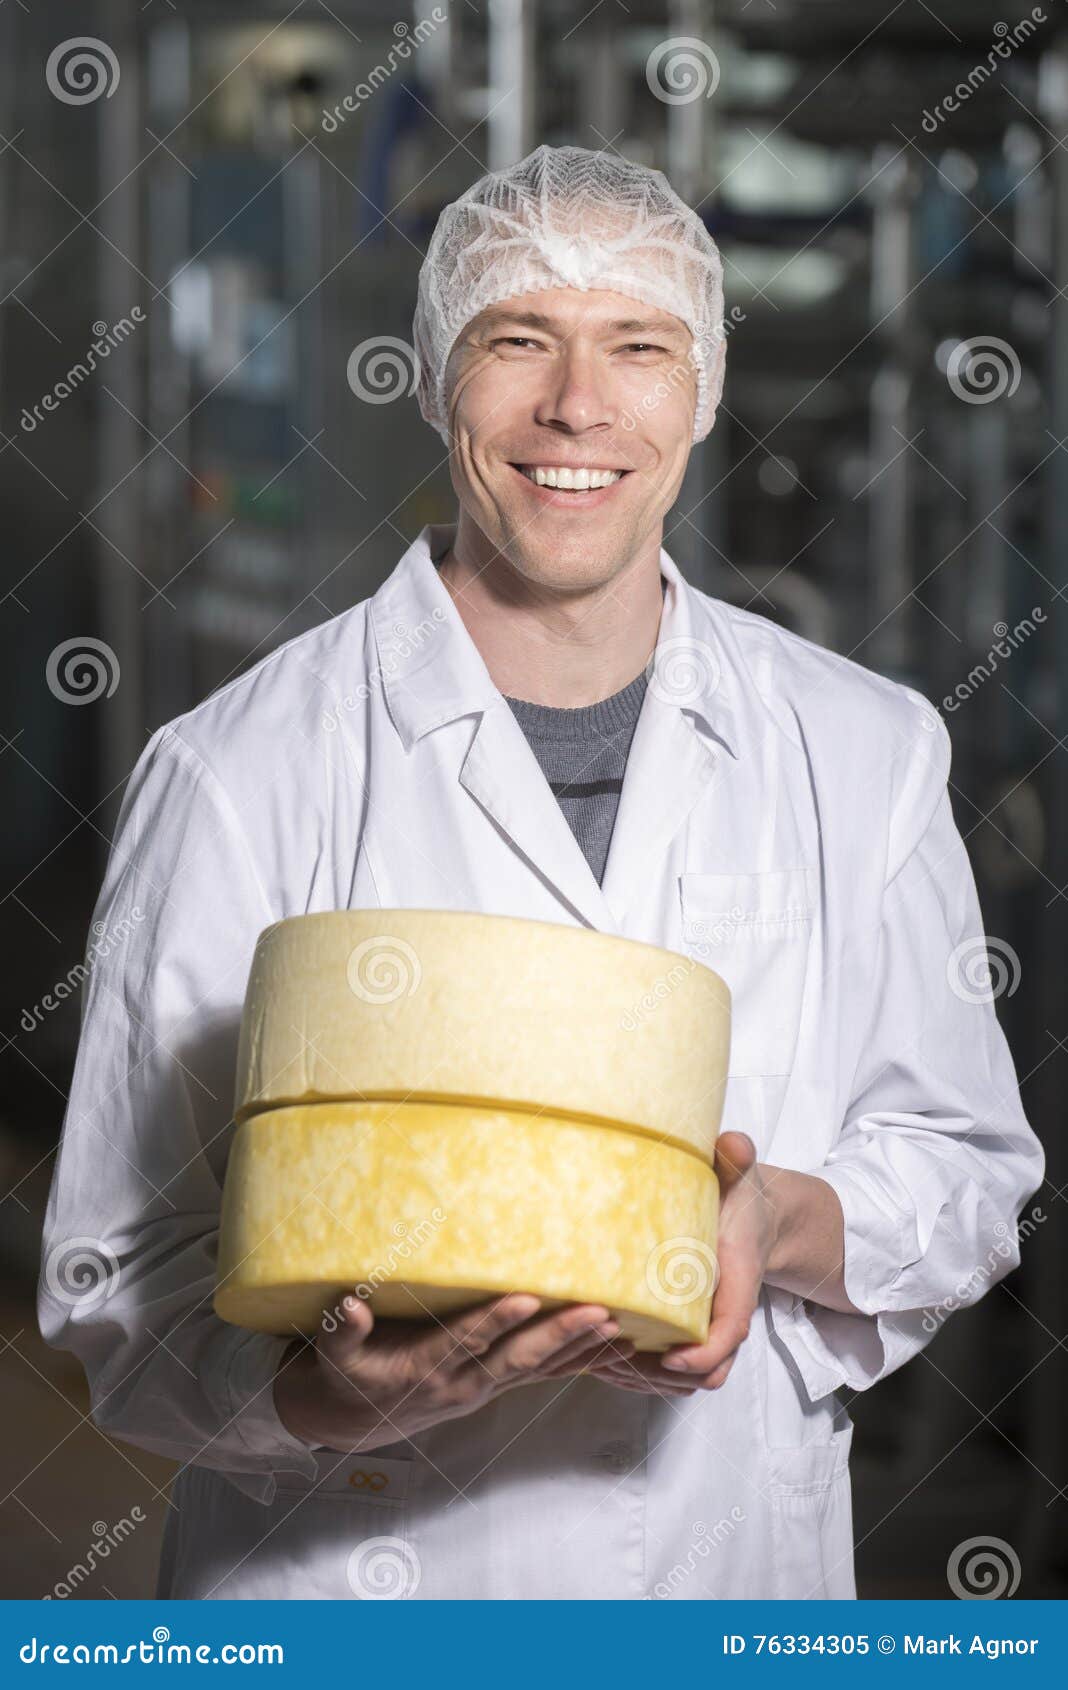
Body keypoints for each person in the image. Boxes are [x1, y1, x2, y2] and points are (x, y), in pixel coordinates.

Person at [39, 144, 1043, 1601]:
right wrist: (345, 1390)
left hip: (724, 1588)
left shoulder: (862, 749)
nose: (577, 405)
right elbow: (112, 1287)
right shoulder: (238, 768)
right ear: (442, 381)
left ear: (697, 393)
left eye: (637, 345)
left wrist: (777, 1222)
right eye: (521, 341)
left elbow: (966, 1171)